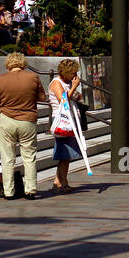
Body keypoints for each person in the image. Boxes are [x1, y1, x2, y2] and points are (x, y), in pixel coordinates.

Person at [0, 51, 47, 199]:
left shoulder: (0, 79)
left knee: (7, 157)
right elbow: (42, 97)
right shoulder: (33, 77)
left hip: (7, 119)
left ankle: (9, 191)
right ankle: (30, 190)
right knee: (29, 156)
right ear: (23, 63)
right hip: (27, 119)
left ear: (8, 64)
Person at [48, 59, 84, 193]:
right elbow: (63, 100)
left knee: (67, 154)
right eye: (72, 73)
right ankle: (61, 181)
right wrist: (74, 87)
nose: (74, 76)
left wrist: (75, 91)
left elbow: (74, 96)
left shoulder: (67, 83)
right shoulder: (56, 83)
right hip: (62, 120)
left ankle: (60, 180)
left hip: (71, 120)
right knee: (64, 152)